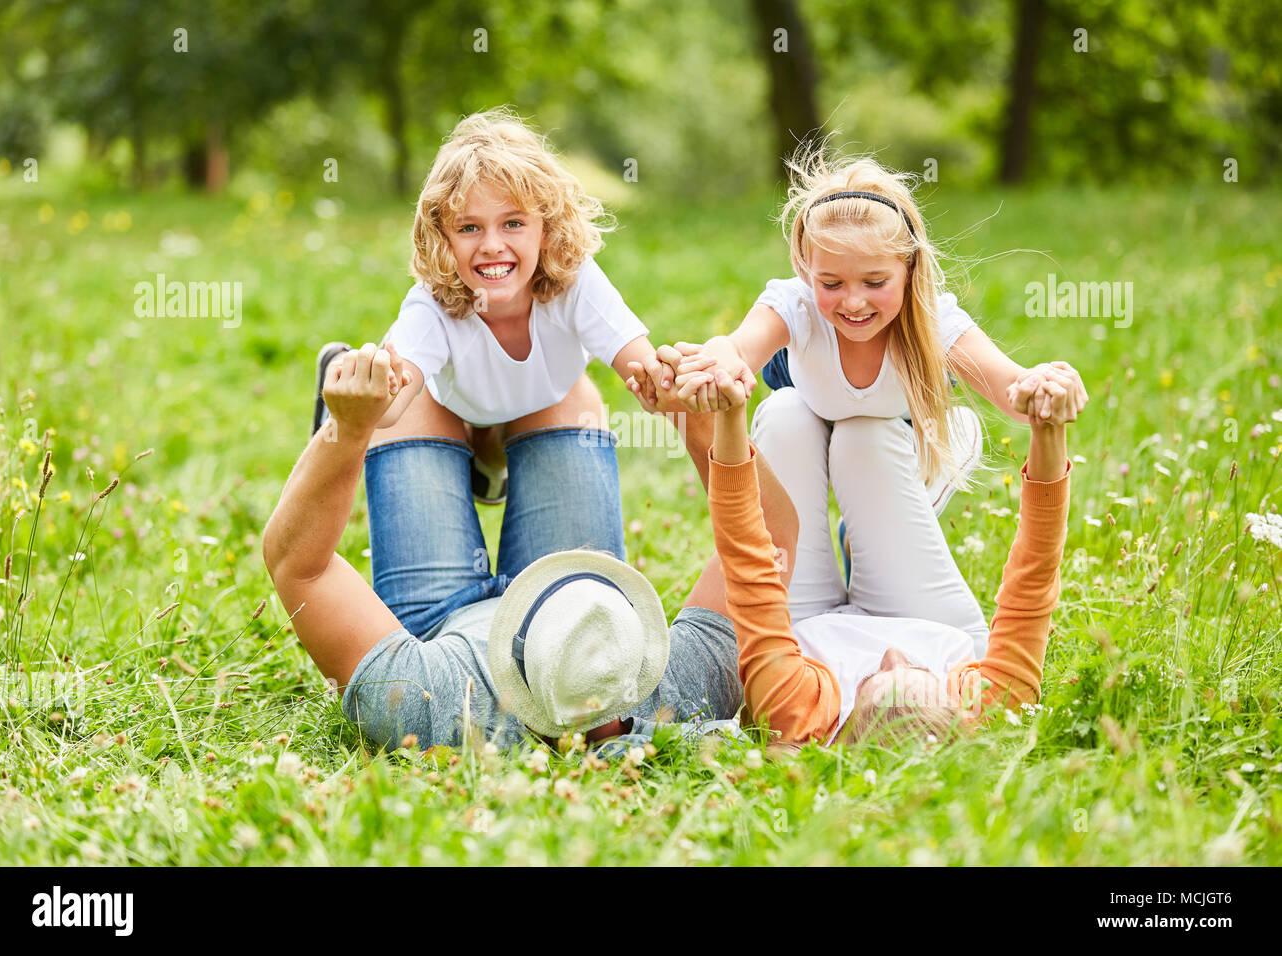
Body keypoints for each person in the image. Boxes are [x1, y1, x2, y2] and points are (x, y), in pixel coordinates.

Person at [656, 144, 1087, 657]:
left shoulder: (933, 321)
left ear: (909, 270)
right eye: (831, 283)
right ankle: (808, 602)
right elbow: (738, 347)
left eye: (875, 282)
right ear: (804, 268)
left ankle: (923, 478)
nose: (853, 301)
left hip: (897, 433)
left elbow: (1012, 388)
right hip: (811, 412)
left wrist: (1045, 385)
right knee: (784, 414)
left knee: (863, 437)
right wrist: (712, 364)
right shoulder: (793, 303)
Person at [264, 342, 797, 751]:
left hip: (440, 618)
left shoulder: (433, 703)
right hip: (550, 596)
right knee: (561, 386)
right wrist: (698, 422)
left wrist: (349, 429)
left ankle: (459, 422)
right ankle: (495, 423)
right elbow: (769, 538)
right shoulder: (677, 693)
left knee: (412, 401)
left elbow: (298, 563)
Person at [674, 357, 1076, 750]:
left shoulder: (794, 710)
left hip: (807, 629)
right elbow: (1033, 579)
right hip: (925, 619)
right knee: (862, 435)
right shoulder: (990, 703)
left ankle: (868, 533)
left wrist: (729, 418)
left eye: (874, 676)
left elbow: (749, 561)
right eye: (918, 669)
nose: (892, 653)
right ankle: (928, 459)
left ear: (846, 726)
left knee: (785, 415)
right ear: (955, 710)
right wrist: (1049, 430)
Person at [312, 108, 667, 508]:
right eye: (469, 228)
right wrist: (361, 397)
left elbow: (642, 367)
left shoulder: (576, 283)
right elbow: (389, 410)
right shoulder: (431, 307)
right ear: (443, 239)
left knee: (499, 424)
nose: (492, 245)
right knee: (422, 405)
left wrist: (664, 383)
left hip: (531, 400)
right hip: (452, 400)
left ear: (547, 230)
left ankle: (488, 448)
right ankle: (338, 379)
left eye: (513, 223)